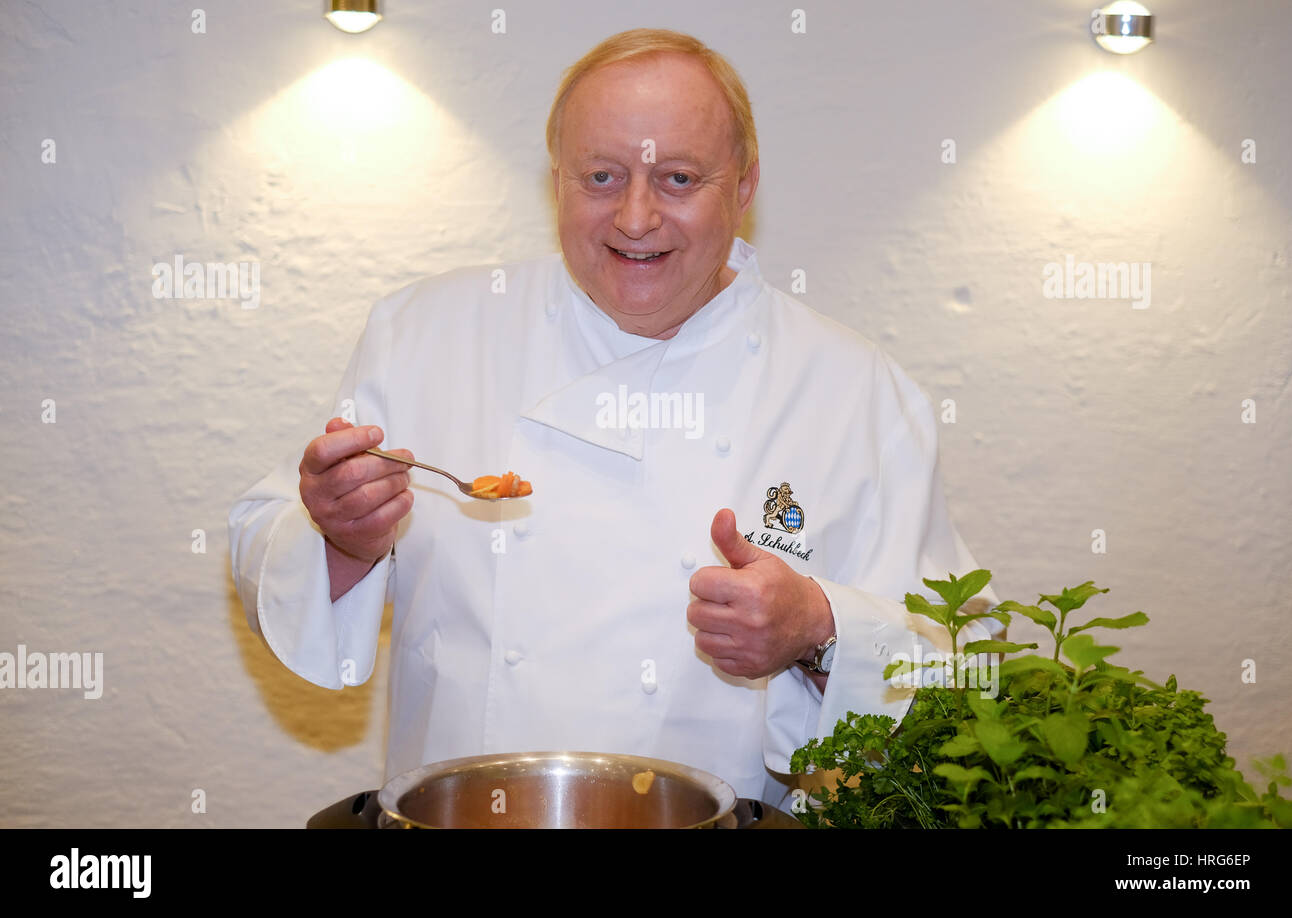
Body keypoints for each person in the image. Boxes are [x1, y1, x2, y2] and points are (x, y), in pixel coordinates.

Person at [228, 28, 997, 809]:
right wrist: (341, 539)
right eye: (601, 176)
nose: (635, 217)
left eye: (677, 178)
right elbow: (264, 543)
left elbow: (966, 668)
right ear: (556, 182)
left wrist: (820, 630)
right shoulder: (427, 333)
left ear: (744, 186)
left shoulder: (855, 393)